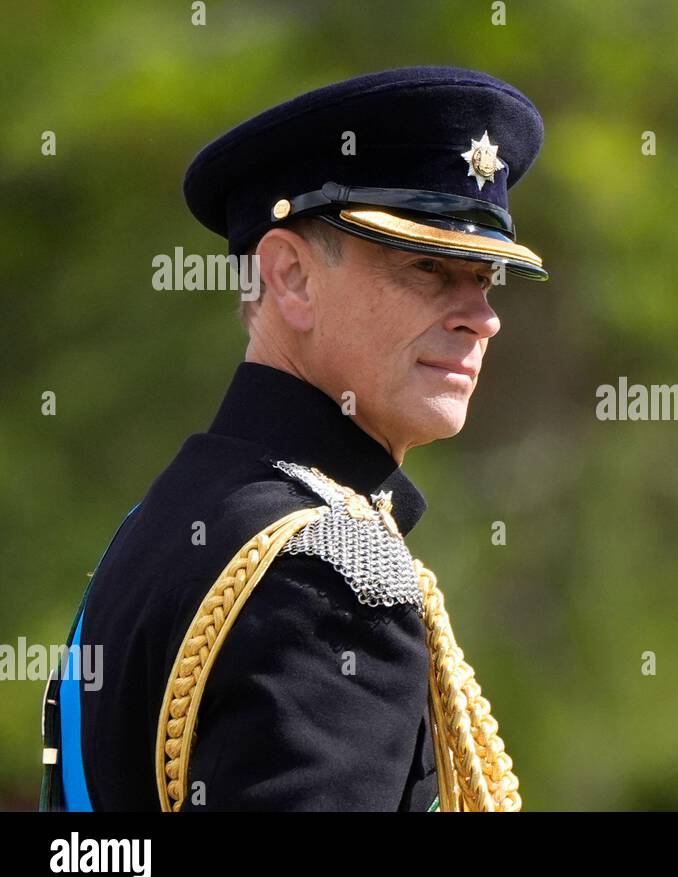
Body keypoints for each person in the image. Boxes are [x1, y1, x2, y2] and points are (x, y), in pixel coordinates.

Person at [38, 65, 546, 812]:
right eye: (431, 269)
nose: (483, 317)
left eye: (486, 281)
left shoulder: (171, 518)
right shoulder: (326, 579)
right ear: (292, 278)